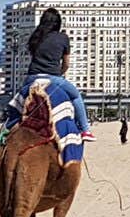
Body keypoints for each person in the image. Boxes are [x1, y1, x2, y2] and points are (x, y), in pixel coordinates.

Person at [23, 8, 93, 139]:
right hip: (52, 78)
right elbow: (66, 64)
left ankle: (6, 130)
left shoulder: (36, 37)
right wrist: (59, 73)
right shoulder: (63, 38)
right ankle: (85, 130)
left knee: (18, 101)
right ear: (58, 23)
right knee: (76, 96)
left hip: (32, 77)